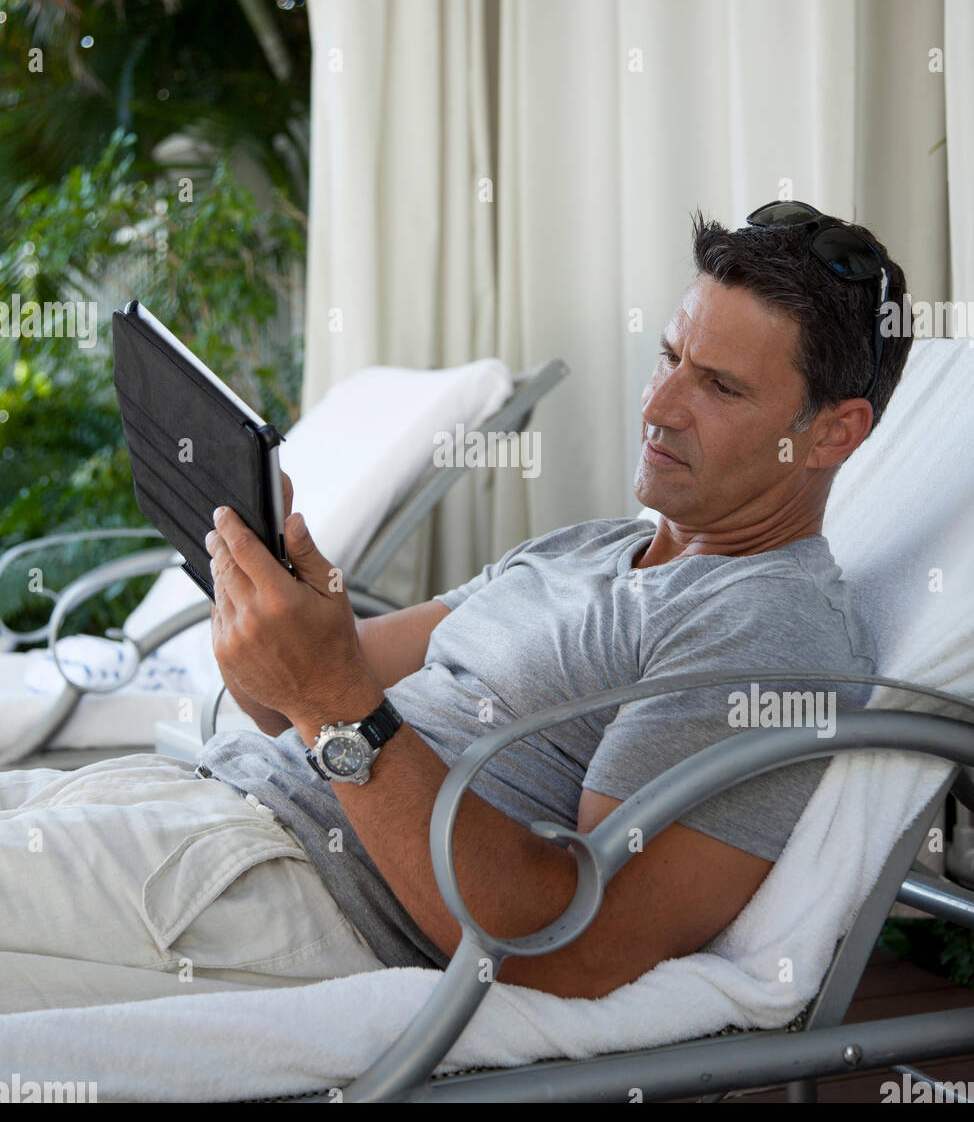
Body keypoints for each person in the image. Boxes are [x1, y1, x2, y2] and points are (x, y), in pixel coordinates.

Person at [0, 203, 912, 1012]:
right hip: (200, 803)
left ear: (833, 432)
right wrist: (274, 612)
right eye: (670, 357)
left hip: (277, 896)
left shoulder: (765, 626)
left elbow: (575, 951)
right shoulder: (586, 547)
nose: (660, 406)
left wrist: (330, 706)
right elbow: (298, 696)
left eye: (720, 387)